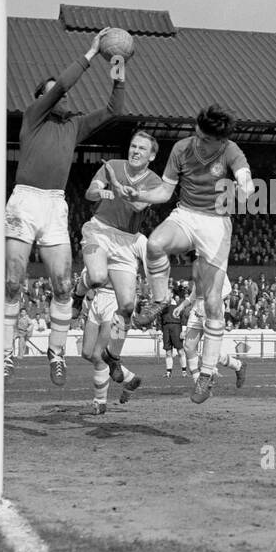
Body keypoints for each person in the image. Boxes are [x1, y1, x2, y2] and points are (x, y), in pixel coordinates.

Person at [3, 29, 125, 383]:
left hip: (54, 205)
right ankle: (7, 353)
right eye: (57, 92)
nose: (65, 94)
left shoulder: (73, 126)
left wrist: (118, 73)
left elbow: (114, 110)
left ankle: (56, 352)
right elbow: (61, 84)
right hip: (24, 201)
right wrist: (90, 53)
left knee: (61, 284)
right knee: (12, 282)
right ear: (44, 98)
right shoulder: (34, 117)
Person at [122, 105, 253, 404]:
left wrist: (245, 190)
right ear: (198, 131)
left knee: (213, 302)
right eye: (208, 139)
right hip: (186, 215)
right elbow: (165, 193)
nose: (212, 146)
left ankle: (205, 376)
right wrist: (139, 194)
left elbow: (244, 179)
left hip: (216, 224)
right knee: (155, 244)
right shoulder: (182, 148)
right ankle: (159, 300)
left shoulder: (231, 150)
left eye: (217, 142)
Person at [71, 130, 162, 387]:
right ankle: (79, 291)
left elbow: (138, 207)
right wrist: (101, 191)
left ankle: (114, 356)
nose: (135, 151)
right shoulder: (112, 166)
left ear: (151, 156)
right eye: (133, 146)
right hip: (100, 229)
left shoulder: (154, 182)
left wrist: (119, 188)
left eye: (141, 148)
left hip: (127, 241)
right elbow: (90, 192)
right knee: (98, 277)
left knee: (128, 307)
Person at [77, 251, 145, 416]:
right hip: (97, 301)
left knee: (98, 356)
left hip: (115, 301)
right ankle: (130, 379)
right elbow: (87, 276)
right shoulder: (97, 248)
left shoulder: (122, 250)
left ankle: (99, 403)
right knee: (86, 353)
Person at [176, 273, 247, 391]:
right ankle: (199, 383)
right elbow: (194, 293)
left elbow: (227, 288)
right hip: (197, 311)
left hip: (213, 311)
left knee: (210, 353)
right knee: (188, 347)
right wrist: (182, 305)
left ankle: (238, 365)